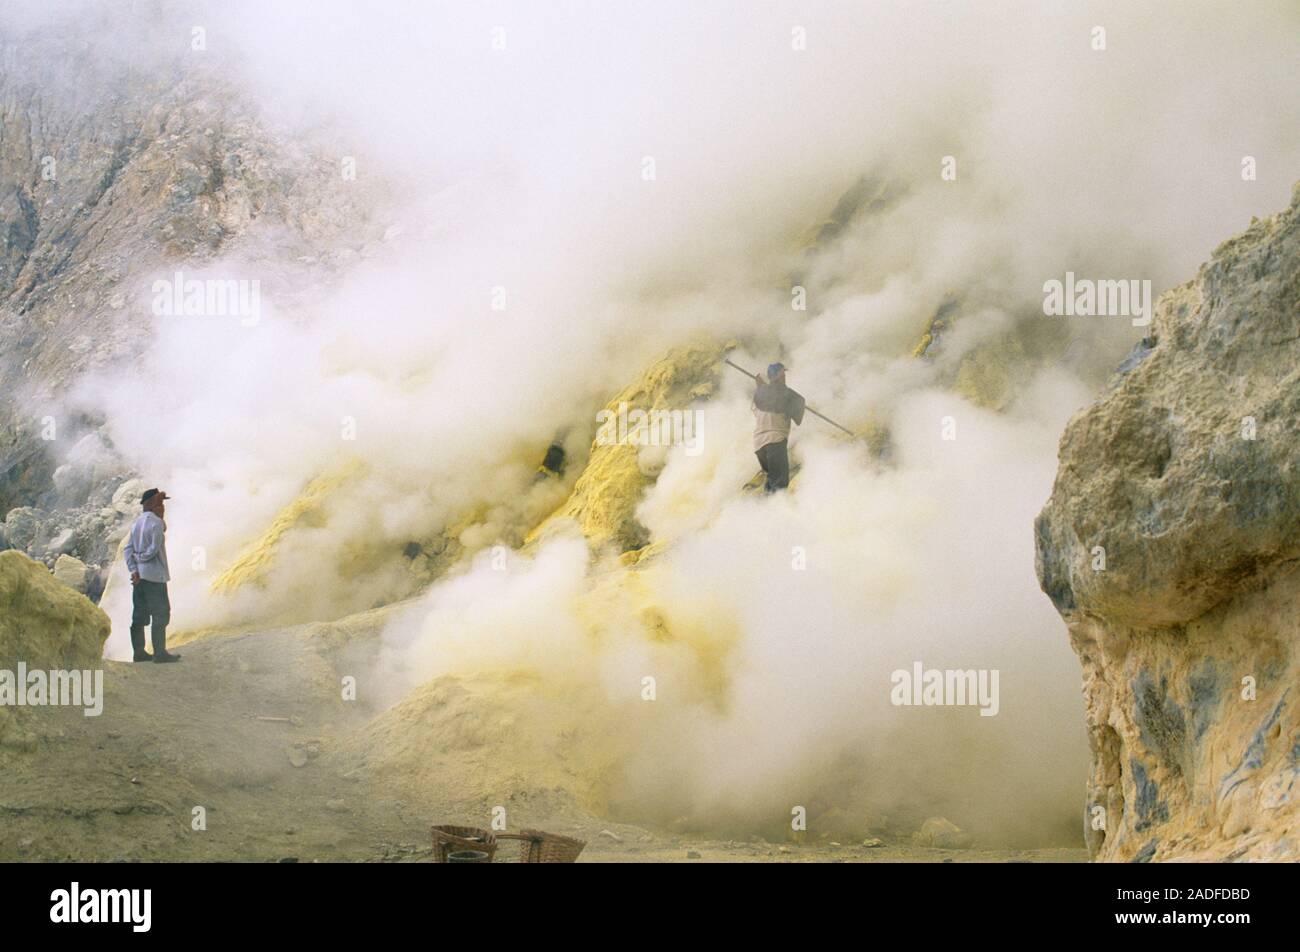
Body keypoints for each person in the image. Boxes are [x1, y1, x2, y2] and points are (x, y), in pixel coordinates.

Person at [122, 488, 181, 663]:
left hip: (139, 578)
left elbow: (127, 550)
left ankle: (139, 652)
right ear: (150, 504)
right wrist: (141, 559)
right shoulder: (155, 523)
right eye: (159, 502)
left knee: (139, 615)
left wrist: (134, 570)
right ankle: (160, 653)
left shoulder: (137, 523)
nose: (162, 506)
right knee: (161, 613)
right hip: (155, 577)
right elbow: (153, 550)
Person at [752, 362, 805, 492]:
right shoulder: (786, 394)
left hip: (759, 446)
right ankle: (775, 511)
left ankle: (764, 509)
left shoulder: (759, 394)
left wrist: (761, 388)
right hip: (775, 443)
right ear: (779, 376)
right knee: (779, 487)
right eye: (783, 374)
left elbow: (758, 408)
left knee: (771, 481)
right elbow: (800, 404)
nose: (784, 377)